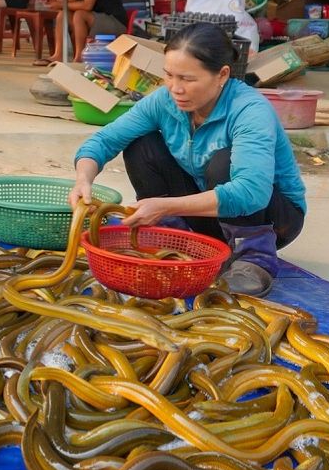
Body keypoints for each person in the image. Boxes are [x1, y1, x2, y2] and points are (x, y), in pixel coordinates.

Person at [70, 23, 305, 296]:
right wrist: (82, 180)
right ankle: (177, 241)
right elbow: (104, 141)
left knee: (224, 162)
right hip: (209, 210)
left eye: (188, 79)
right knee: (141, 144)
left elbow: (251, 192)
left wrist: (165, 206)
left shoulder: (249, 110)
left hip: (273, 217)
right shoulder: (163, 101)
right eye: (169, 75)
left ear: (222, 75)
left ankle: (253, 259)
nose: (175, 88)